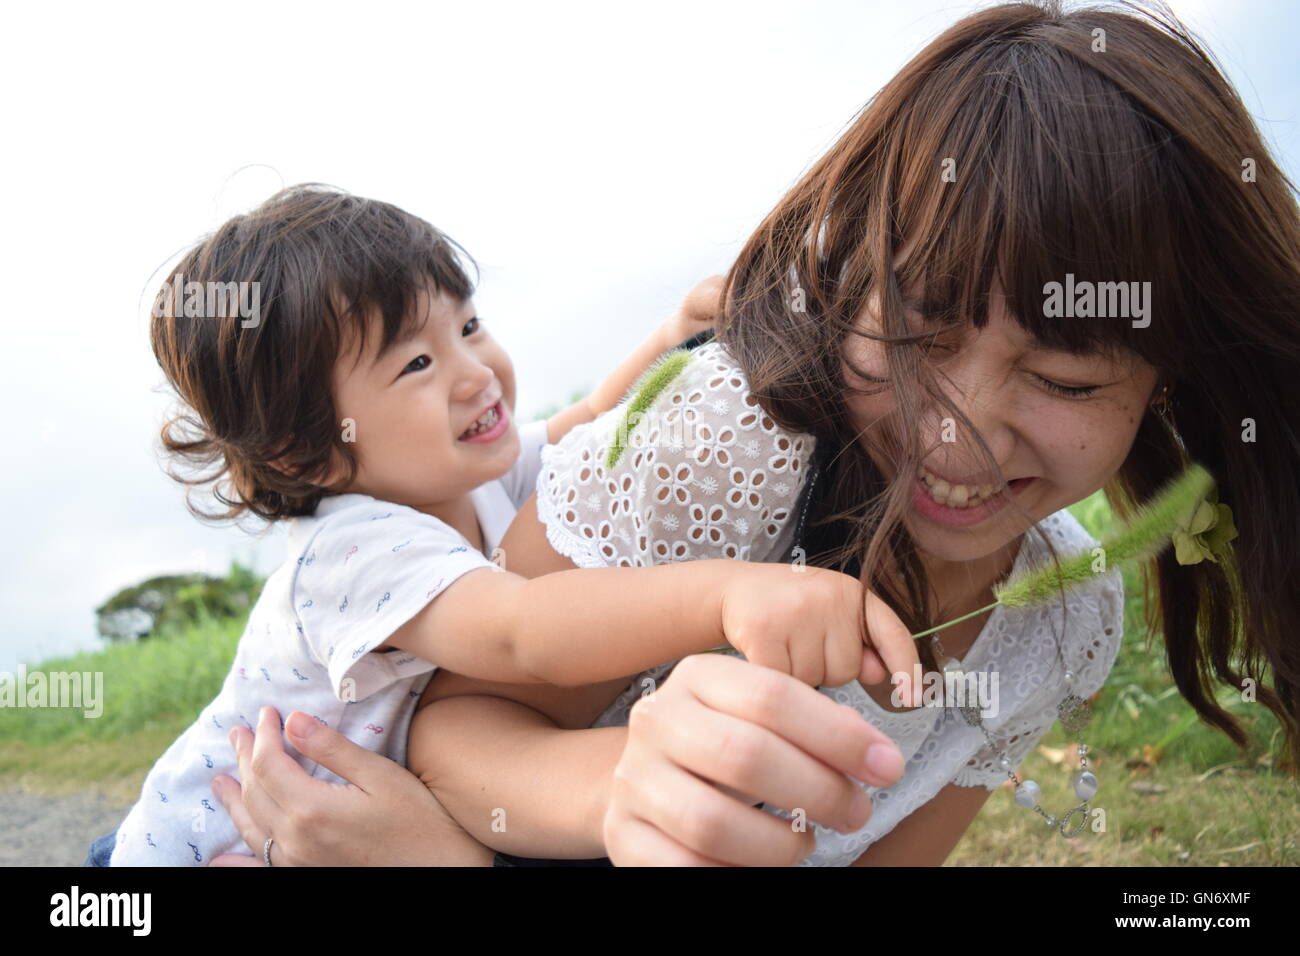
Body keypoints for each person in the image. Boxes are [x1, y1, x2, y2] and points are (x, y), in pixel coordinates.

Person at [212, 0, 1299, 866]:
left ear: (1166, 386)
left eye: (1060, 376)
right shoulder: (725, 442)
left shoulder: (1067, 616)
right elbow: (454, 727)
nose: (956, 434)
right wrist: (618, 786)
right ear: (851, 289)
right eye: (915, 334)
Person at [89, 185, 921, 866]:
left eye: (468, 326)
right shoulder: (354, 548)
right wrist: (733, 592)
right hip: (199, 844)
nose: (473, 372)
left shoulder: (472, 477)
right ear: (308, 453)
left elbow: (589, 416)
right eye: (416, 363)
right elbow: (526, 632)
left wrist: (674, 338)